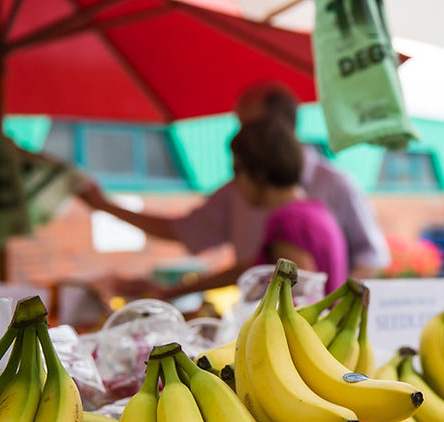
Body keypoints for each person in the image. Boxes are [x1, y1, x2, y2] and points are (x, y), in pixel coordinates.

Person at [78, 83, 388, 299]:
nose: (240, 131)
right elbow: (245, 263)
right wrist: (105, 206)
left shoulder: (294, 215)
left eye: (246, 126)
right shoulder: (309, 207)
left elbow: (297, 297)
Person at [232, 118, 347, 293]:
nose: (235, 182)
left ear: (259, 173)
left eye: (236, 170)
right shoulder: (315, 209)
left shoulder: (287, 220)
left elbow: (301, 296)